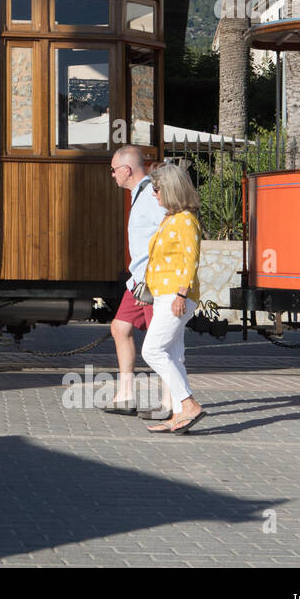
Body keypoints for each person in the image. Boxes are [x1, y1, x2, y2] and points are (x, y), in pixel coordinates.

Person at [101, 145, 170, 420]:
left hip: (151, 282)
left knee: (161, 343)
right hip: (138, 281)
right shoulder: (139, 194)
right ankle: (125, 395)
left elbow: (165, 235)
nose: (112, 176)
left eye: (113, 171)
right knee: (120, 327)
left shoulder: (152, 196)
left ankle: (170, 401)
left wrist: (150, 283)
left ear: (126, 170)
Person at [139, 162, 206, 434]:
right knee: (174, 356)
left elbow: (191, 260)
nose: (153, 193)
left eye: (156, 188)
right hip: (164, 294)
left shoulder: (186, 220)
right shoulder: (171, 218)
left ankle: (188, 404)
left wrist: (180, 293)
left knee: (151, 350)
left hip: (176, 295)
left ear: (170, 189)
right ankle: (180, 414)